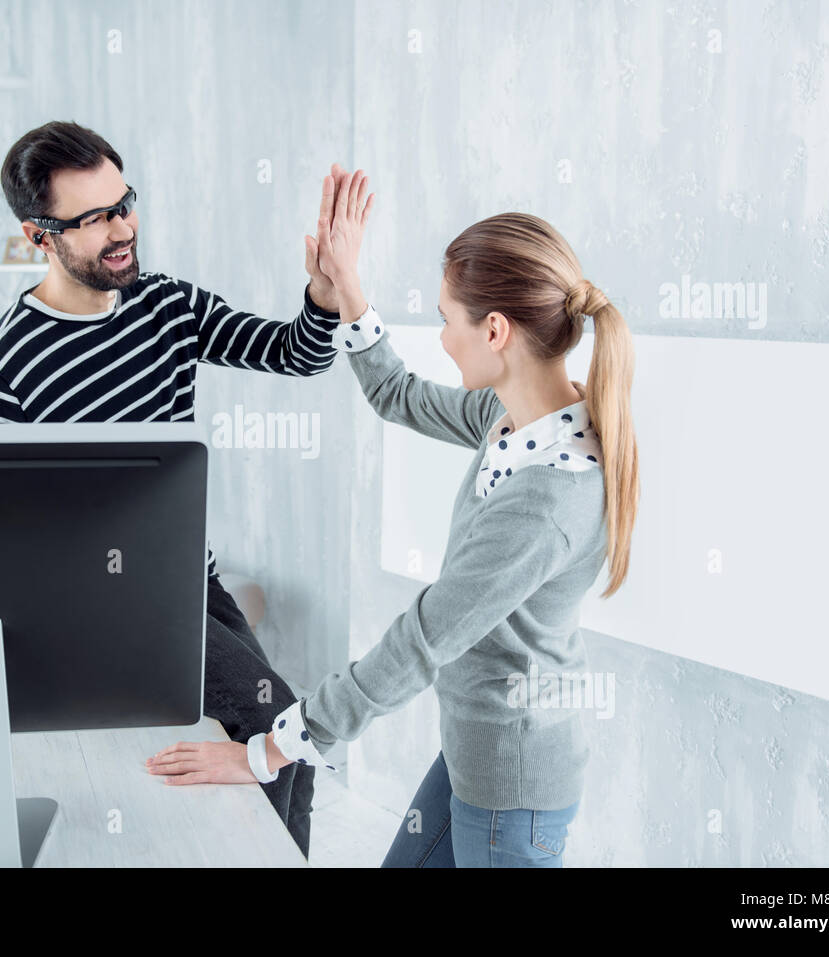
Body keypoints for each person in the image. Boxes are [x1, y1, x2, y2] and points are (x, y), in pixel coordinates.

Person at [147, 166, 640, 867]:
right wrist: (344, 288)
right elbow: (398, 394)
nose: (441, 336)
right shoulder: (516, 420)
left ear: (495, 329)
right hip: (475, 751)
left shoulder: (547, 500)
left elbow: (419, 641)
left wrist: (265, 751)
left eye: (446, 319)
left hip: (514, 782)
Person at [0, 121, 354, 858]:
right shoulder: (0, 371)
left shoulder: (165, 305)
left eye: (124, 203)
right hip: (102, 611)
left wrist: (324, 296)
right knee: (282, 722)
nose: (122, 229)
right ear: (38, 236)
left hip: (188, 583)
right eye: (94, 218)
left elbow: (296, 354)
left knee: (288, 733)